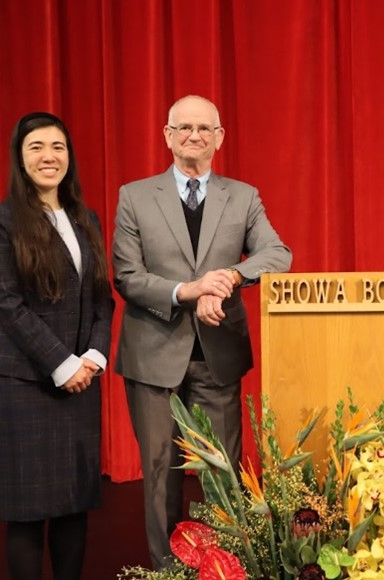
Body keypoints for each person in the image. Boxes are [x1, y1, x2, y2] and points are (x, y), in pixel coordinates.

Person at [112, 95, 293, 569]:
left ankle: (222, 569)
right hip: (153, 357)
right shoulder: (135, 196)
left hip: (218, 355)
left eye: (204, 128)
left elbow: (278, 254)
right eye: (184, 128)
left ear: (220, 138)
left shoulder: (243, 196)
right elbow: (127, 277)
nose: (194, 135)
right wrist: (189, 290)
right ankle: (166, 571)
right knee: (159, 476)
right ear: (167, 136)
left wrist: (229, 277)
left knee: (223, 475)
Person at [0, 112, 114, 580]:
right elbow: (8, 304)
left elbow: (102, 296)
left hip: (82, 383)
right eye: (36, 147)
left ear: (69, 157)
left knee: (74, 506)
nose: (48, 156)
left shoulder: (86, 219)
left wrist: (93, 357)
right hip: (24, 384)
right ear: (20, 158)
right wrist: (62, 364)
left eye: (58, 146)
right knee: (28, 512)